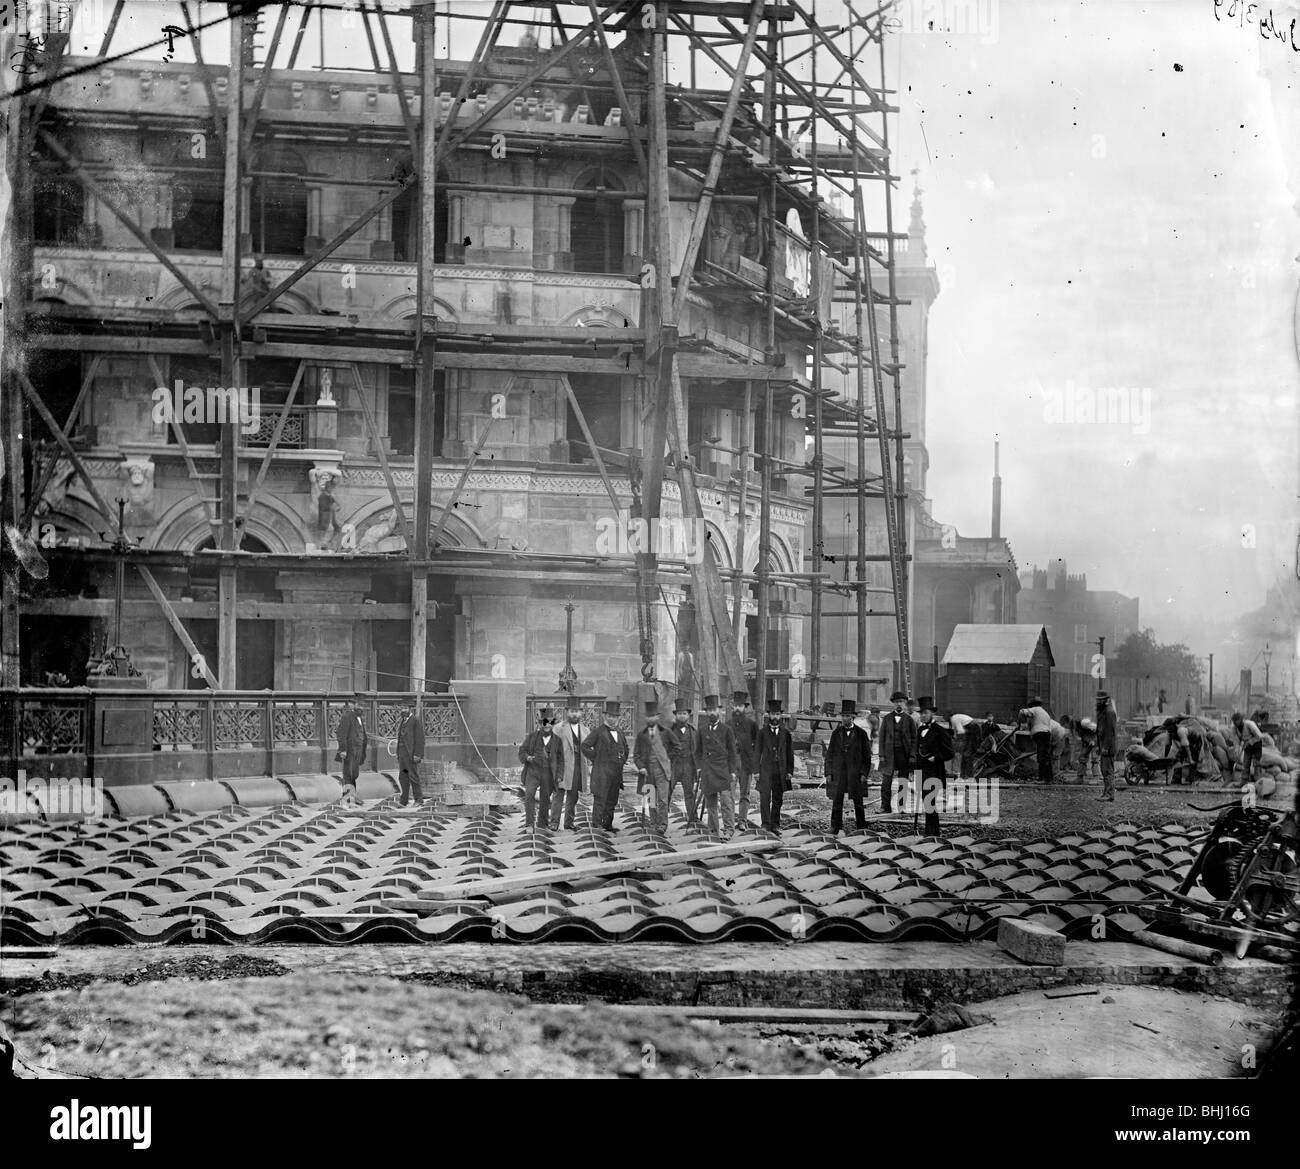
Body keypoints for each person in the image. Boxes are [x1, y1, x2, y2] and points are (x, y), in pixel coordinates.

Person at [582, 700, 629, 832]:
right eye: (609, 716)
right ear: (604, 716)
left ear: (618, 718)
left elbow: (625, 748)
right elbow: (584, 746)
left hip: (616, 773)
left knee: (612, 800)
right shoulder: (598, 731)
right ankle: (597, 826)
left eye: (614, 716)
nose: (612, 719)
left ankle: (608, 825)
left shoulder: (619, 732)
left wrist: (623, 760)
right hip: (602, 773)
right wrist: (597, 758)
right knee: (600, 799)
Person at [825, 698, 871, 835]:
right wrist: (828, 772)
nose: (845, 719)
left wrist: (863, 773)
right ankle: (835, 827)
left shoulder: (861, 734)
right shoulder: (836, 733)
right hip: (839, 773)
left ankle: (861, 827)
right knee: (837, 800)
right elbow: (829, 755)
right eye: (843, 716)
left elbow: (866, 757)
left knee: (858, 802)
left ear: (853, 717)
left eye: (848, 716)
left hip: (855, 773)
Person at [698, 694, 741, 836]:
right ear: (706, 712)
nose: (712, 713)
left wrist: (733, 771)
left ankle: (729, 829)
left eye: (714, 709)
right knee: (710, 804)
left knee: (726, 802)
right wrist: (700, 768)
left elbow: (732, 753)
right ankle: (713, 830)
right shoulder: (702, 730)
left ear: (719, 711)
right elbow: (697, 752)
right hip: (708, 771)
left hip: (723, 770)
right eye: (709, 710)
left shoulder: (726, 730)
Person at [634, 700, 679, 831]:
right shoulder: (642, 735)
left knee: (663, 800)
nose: (651, 718)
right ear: (646, 718)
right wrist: (640, 766)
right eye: (648, 716)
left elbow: (677, 747)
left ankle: (663, 824)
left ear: (657, 717)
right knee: (651, 800)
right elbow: (636, 754)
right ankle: (653, 823)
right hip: (648, 772)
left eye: (653, 716)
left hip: (662, 771)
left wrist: (667, 759)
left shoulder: (666, 732)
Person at [915, 697, 954, 837]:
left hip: (934, 772)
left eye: (925, 713)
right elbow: (917, 751)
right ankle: (929, 832)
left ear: (932, 713)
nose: (923, 716)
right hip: (922, 771)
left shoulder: (940, 731)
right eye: (921, 713)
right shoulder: (920, 730)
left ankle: (933, 833)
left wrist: (936, 757)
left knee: (930, 802)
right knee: (926, 803)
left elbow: (950, 753)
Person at [519, 706, 562, 830]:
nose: (547, 725)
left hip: (548, 773)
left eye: (549, 723)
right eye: (544, 723)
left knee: (545, 798)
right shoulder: (532, 737)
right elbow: (522, 751)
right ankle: (529, 823)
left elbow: (561, 760)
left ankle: (542, 824)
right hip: (533, 771)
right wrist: (527, 758)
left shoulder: (557, 741)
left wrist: (559, 775)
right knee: (529, 795)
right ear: (539, 724)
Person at [756, 699, 794, 834]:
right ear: (768, 715)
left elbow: (790, 753)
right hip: (765, 770)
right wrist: (756, 771)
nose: (775, 717)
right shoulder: (762, 732)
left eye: (777, 714)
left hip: (780, 770)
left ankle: (775, 825)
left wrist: (790, 771)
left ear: (781, 715)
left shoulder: (786, 733)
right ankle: (765, 824)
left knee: (778, 799)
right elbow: (757, 752)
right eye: (772, 714)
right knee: (764, 798)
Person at [878, 690, 917, 813]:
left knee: (903, 782)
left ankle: (901, 807)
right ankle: (885, 807)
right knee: (886, 782)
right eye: (896, 702)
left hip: (904, 755)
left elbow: (915, 739)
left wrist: (912, 755)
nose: (899, 704)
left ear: (905, 703)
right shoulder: (887, 719)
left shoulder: (910, 720)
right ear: (893, 704)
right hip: (889, 754)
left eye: (901, 702)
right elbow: (881, 738)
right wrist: (881, 755)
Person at [551, 695, 585, 830]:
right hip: (562, 767)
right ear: (567, 712)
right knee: (558, 794)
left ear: (581, 713)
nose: (574, 714)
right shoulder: (559, 728)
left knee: (573, 796)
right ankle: (554, 822)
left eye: (577, 711)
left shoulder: (585, 730)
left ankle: (569, 823)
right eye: (572, 711)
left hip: (578, 767)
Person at [729, 690, 758, 831]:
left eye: (740, 706)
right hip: (731, 763)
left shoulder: (752, 725)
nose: (737, 708)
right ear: (732, 706)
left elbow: (757, 746)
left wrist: (755, 765)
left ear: (745, 707)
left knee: (745, 794)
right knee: (729, 793)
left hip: (746, 763)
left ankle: (742, 821)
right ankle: (729, 823)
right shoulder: (727, 724)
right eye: (735, 705)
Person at [668, 696, 700, 826]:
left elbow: (697, 750)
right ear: (676, 715)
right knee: (667, 792)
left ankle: (693, 818)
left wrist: (697, 767)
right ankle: (661, 820)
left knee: (689, 793)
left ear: (688, 715)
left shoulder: (693, 731)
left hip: (688, 766)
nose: (682, 716)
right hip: (673, 766)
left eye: (684, 714)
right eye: (680, 714)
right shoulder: (669, 731)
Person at [336, 695, 368, 808]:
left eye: (362, 706)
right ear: (354, 705)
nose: (361, 708)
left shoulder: (360, 718)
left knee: (354, 774)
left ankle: (352, 795)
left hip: (357, 752)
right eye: (358, 705)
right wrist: (343, 750)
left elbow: (362, 735)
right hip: (349, 751)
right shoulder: (347, 717)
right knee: (348, 774)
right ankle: (347, 797)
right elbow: (341, 734)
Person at [396, 700, 424, 806]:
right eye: (402, 708)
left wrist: (418, 755)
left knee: (413, 777)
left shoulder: (415, 721)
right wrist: (398, 753)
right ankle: (404, 801)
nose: (403, 710)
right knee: (403, 777)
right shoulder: (403, 721)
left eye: (405, 708)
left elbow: (420, 740)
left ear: (410, 709)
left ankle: (419, 800)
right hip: (402, 756)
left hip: (411, 755)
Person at [1020, 696, 1053, 783]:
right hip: (1047, 734)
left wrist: (1021, 722)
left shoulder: (1035, 709)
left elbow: (1022, 712)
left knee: (1041, 756)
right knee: (1046, 756)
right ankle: (1048, 778)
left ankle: (1042, 778)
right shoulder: (1045, 713)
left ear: (1033, 705)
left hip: (1040, 734)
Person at [1096, 691, 1118, 801]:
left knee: (1108, 770)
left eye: (1100, 699)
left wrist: (1105, 747)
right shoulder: (1103, 712)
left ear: (1106, 700)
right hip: (1104, 746)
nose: (1098, 701)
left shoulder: (1109, 712)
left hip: (1108, 747)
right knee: (1104, 770)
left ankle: (1109, 794)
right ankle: (1106, 793)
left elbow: (1110, 732)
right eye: (1097, 699)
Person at [1231, 711, 1264, 783]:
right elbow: (1236, 741)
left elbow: (1260, 736)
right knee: (1245, 764)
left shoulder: (1249, 724)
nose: (1235, 723)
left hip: (1256, 744)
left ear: (1241, 719)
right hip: (1247, 746)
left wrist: (1250, 742)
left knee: (1256, 764)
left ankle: (1258, 782)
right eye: (1234, 721)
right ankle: (1243, 781)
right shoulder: (1234, 728)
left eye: (1237, 721)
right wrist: (1236, 750)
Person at [948, 711, 975, 778]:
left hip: (966, 736)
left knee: (959, 755)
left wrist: (958, 740)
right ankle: (957, 772)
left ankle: (958, 773)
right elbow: (955, 732)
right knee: (957, 755)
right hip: (962, 738)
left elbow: (960, 732)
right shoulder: (955, 720)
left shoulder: (954, 719)